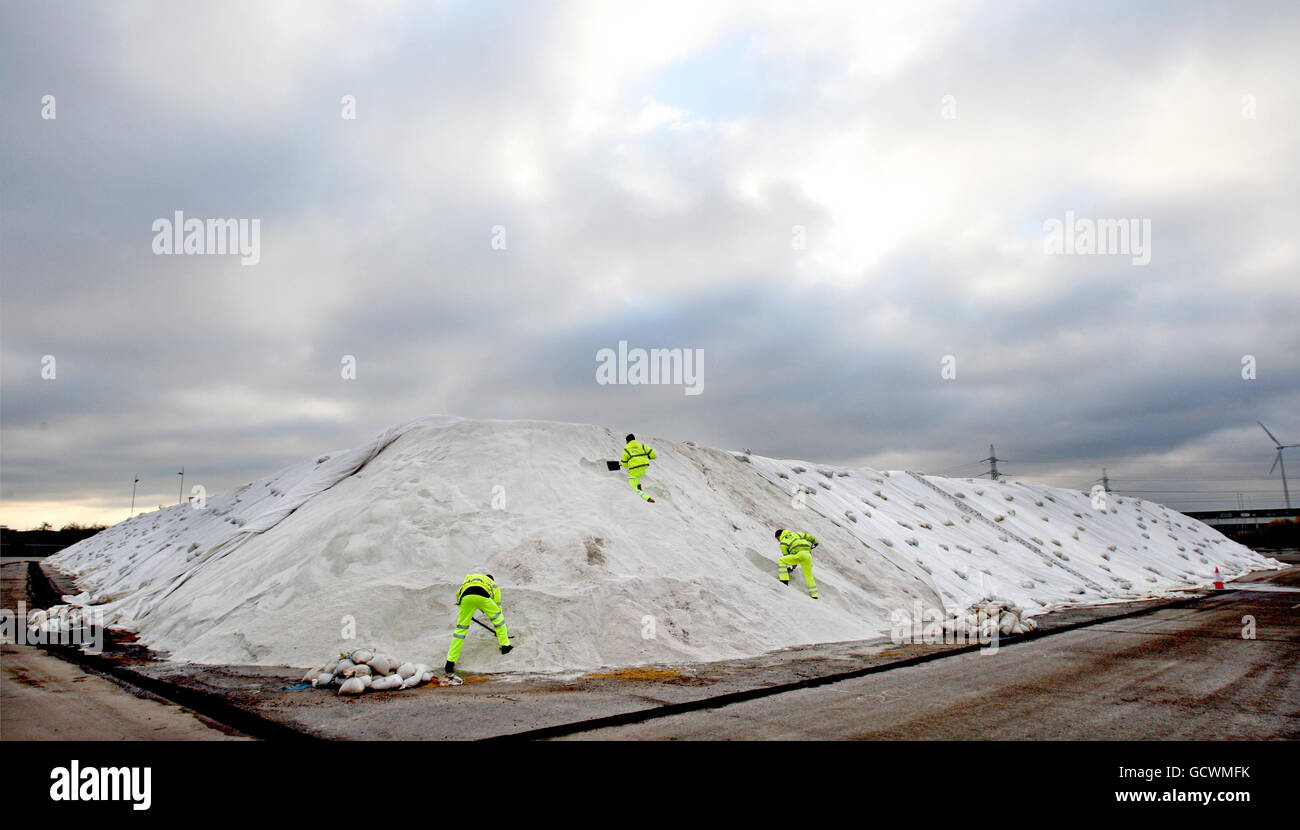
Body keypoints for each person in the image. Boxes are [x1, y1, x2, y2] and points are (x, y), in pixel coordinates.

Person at [444, 572, 512, 676]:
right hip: (483, 596)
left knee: (460, 631)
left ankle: (450, 662)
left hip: (466, 598)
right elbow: (497, 604)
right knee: (499, 620)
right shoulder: (492, 584)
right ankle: (505, 646)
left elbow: (459, 593)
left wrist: (464, 610)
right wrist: (495, 619)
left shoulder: (470, 579)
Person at [774, 528, 819, 599]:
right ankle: (814, 595)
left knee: (782, 560)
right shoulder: (796, 534)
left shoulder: (783, 543)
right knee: (809, 576)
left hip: (799, 555)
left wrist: (792, 566)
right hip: (808, 555)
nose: (778, 540)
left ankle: (784, 581)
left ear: (779, 536)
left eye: (777, 539)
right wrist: (815, 542)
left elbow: (787, 556)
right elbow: (809, 537)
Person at [620, 433, 657, 503]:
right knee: (636, 477)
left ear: (627, 441)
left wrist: (629, 462)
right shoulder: (642, 446)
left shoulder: (626, 450)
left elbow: (624, 464)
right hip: (643, 469)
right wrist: (647, 457)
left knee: (633, 486)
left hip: (634, 470)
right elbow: (653, 455)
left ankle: (647, 498)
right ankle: (639, 486)